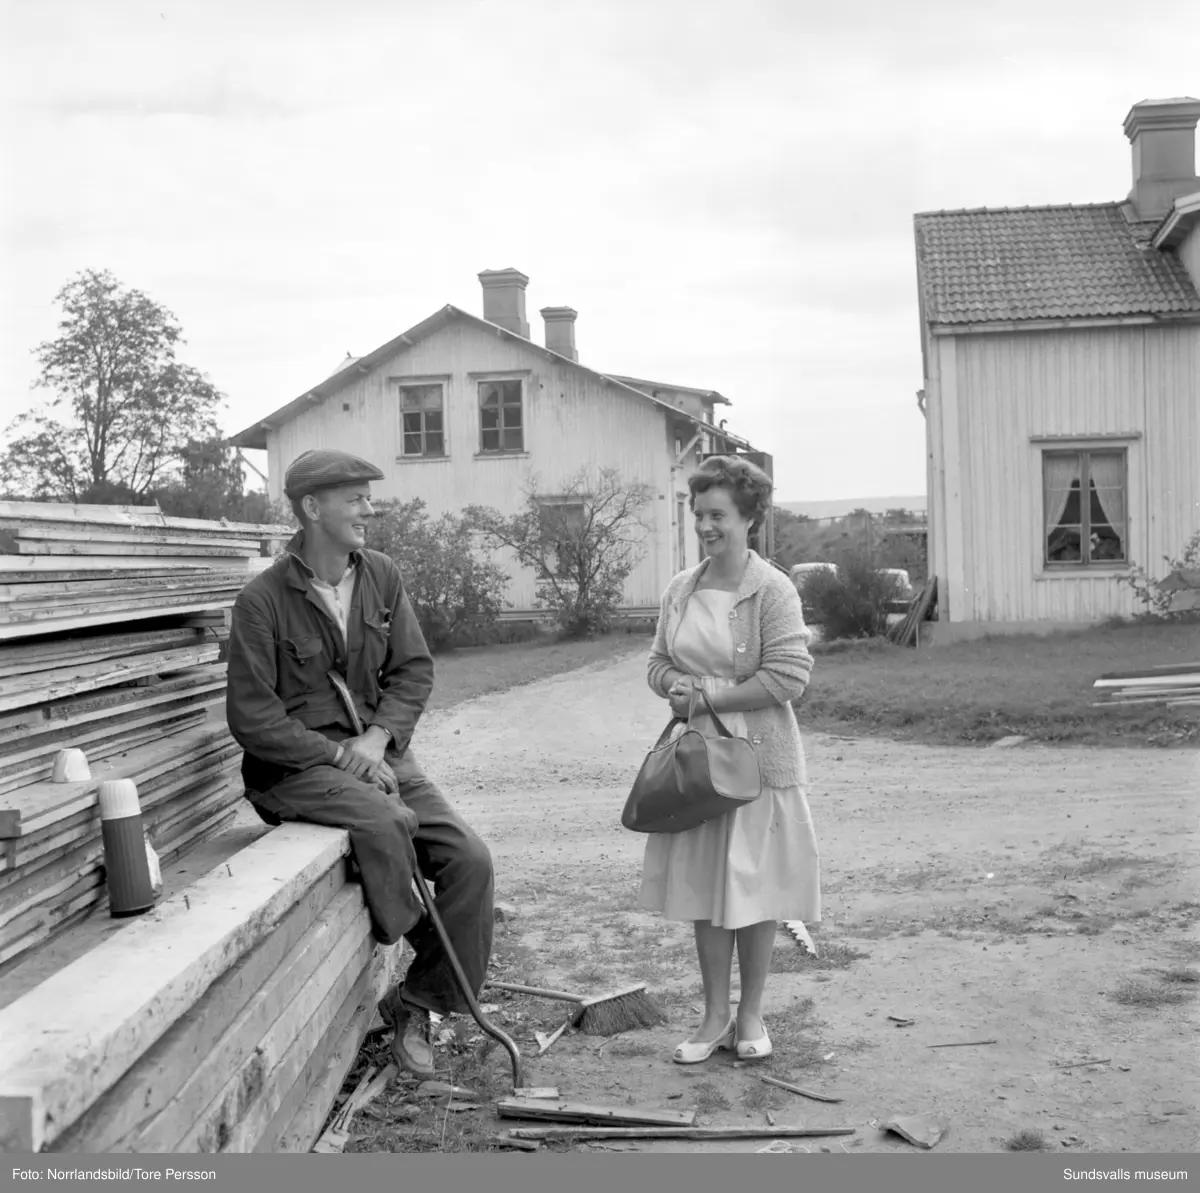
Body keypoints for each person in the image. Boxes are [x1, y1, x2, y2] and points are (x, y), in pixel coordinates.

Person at [225, 448, 494, 1079]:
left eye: (368, 498)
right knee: (384, 823)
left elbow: (413, 670)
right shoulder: (262, 600)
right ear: (313, 508)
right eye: (356, 499)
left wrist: (376, 741)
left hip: (378, 755)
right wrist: (341, 756)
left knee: (471, 862)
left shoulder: (381, 576)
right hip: (297, 771)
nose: (369, 510)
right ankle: (430, 951)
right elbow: (254, 720)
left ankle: (419, 1002)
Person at [641, 455, 819, 1065]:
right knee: (706, 890)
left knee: (754, 887)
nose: (706, 527)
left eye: (718, 515)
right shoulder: (680, 589)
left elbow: (789, 677)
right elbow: (658, 661)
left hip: (757, 760)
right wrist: (673, 687)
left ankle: (751, 1015)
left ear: (749, 518)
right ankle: (714, 1015)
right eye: (700, 515)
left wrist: (711, 694)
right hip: (698, 760)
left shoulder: (772, 588)